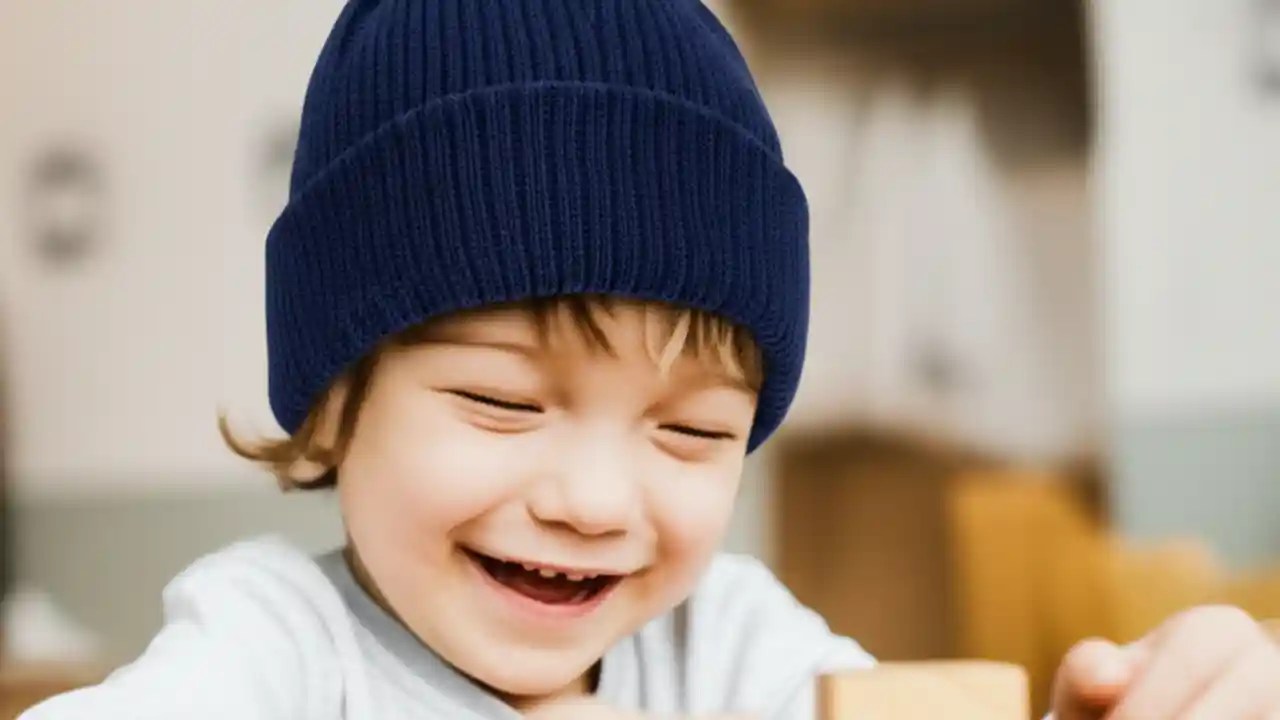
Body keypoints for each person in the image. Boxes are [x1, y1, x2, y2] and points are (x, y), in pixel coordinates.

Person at [22, 2, 1279, 718]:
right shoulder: (278, 647)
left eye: (688, 433)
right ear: (338, 399)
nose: (593, 502)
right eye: (501, 401)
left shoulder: (728, 650)